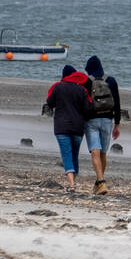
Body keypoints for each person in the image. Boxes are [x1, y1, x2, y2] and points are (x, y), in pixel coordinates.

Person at [45, 64, 92, 193]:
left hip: (61, 126)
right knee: (74, 155)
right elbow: (88, 109)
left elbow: (49, 102)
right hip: (78, 127)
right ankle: (73, 180)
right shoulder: (82, 90)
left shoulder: (58, 87)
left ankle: (71, 185)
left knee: (66, 154)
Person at [83, 54, 121, 195]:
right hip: (107, 121)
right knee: (103, 153)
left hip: (91, 121)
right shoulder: (111, 80)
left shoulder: (86, 81)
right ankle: (100, 182)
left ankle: (101, 182)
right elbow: (117, 103)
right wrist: (117, 124)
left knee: (95, 151)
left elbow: (84, 103)